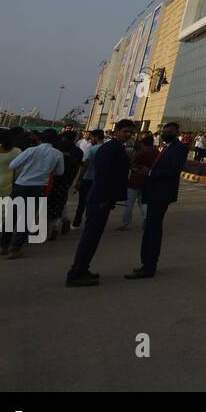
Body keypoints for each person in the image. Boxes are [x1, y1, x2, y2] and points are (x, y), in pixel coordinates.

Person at [67, 119, 136, 287]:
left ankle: (82, 268)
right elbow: (103, 175)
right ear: (117, 131)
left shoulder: (117, 147)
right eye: (125, 131)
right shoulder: (109, 148)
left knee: (94, 237)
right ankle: (76, 273)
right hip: (100, 199)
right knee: (90, 237)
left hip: (104, 198)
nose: (128, 135)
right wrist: (104, 198)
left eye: (130, 132)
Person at [125, 121, 187, 279]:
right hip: (155, 192)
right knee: (151, 228)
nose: (166, 133)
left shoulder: (179, 148)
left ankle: (149, 266)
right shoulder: (166, 147)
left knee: (153, 229)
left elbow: (173, 170)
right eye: (165, 131)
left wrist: (151, 172)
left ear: (177, 132)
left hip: (162, 194)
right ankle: (147, 263)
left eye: (170, 131)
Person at [7, 129, 65, 259]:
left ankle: (3, 245)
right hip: (38, 187)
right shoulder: (57, 154)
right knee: (27, 219)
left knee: (12, 216)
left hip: (21, 185)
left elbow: (12, 165)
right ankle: (15, 249)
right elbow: (59, 172)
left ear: (40, 139)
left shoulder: (31, 150)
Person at [119, 133, 157, 230]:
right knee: (143, 202)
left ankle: (126, 224)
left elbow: (133, 164)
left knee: (129, 203)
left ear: (143, 143)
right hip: (147, 180)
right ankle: (146, 218)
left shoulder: (141, 152)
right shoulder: (156, 152)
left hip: (135, 180)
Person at [71, 130, 103, 228]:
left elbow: (85, 165)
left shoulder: (92, 149)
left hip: (87, 178)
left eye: (92, 137)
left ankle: (77, 222)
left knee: (82, 202)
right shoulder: (106, 149)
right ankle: (90, 222)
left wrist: (79, 179)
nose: (91, 140)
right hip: (98, 180)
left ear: (96, 137)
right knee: (94, 202)